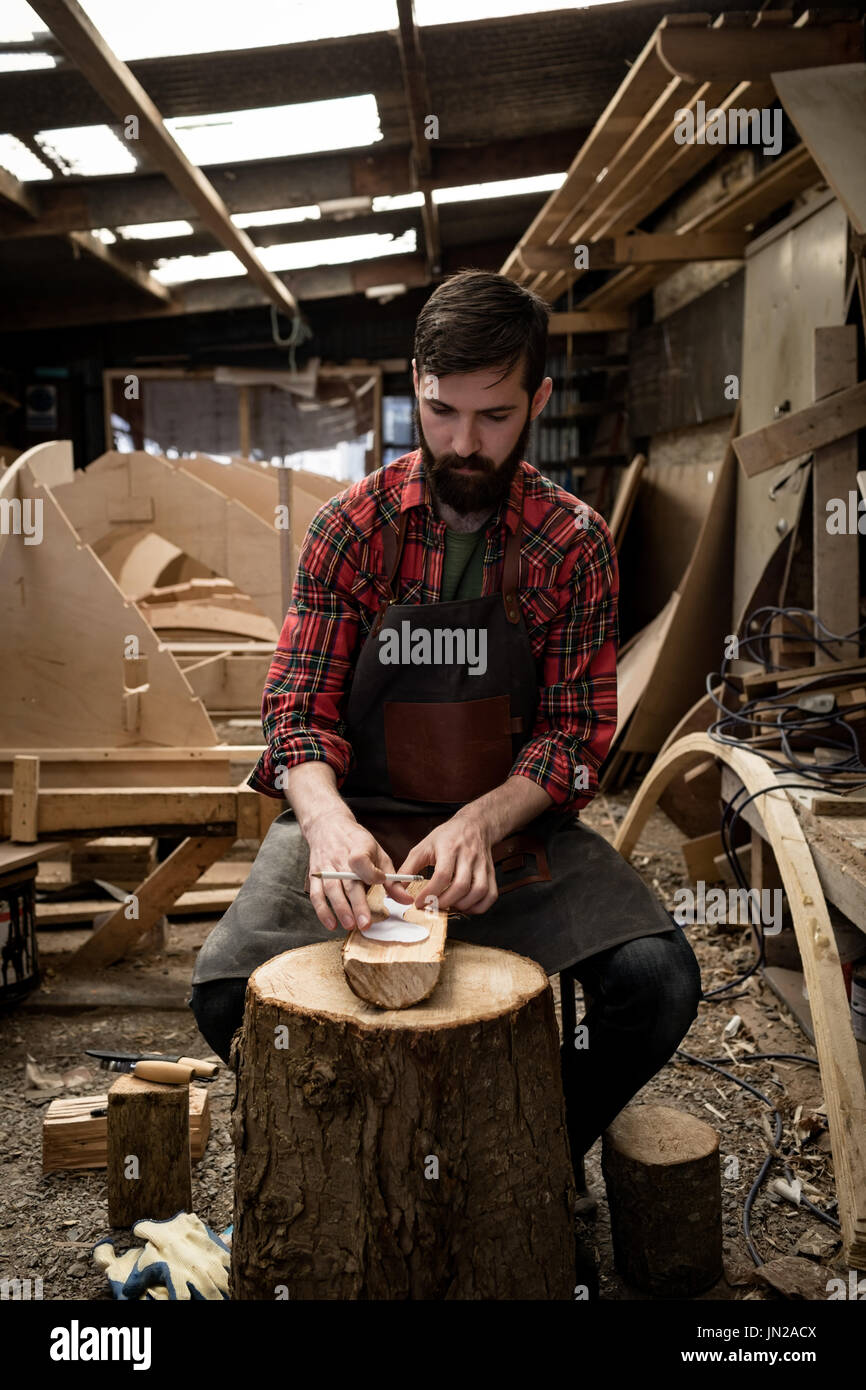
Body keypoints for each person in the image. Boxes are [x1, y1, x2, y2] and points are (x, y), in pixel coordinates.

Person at [189, 268, 701, 1203]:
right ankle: (366, 1178)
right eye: (441, 411)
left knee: (657, 983)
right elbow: (297, 711)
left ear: (539, 399)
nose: (465, 443)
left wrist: (487, 820)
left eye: (496, 416)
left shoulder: (573, 542)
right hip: (357, 818)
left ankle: (524, 1168)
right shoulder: (352, 530)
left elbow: (576, 735)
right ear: (414, 386)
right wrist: (328, 827)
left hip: (507, 830)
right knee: (227, 993)